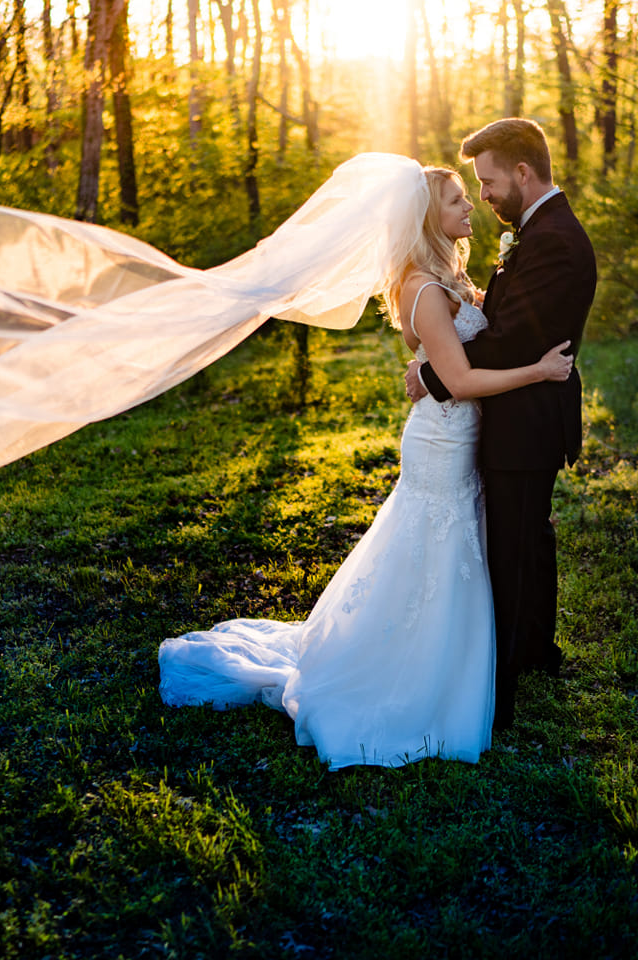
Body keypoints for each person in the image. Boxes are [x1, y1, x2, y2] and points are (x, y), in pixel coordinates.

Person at [157, 167, 574, 770]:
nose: (470, 207)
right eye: (457, 200)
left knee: (448, 546)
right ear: (427, 218)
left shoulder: (449, 278)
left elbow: (469, 347)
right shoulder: (422, 289)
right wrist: (539, 371)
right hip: (442, 438)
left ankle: (451, 656)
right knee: (435, 546)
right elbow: (458, 381)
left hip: (464, 435)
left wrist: (447, 355)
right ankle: (409, 668)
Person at [405, 119, 597, 731]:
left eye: (487, 183)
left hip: (527, 420)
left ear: (522, 171)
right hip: (518, 416)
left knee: (514, 546)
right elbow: (504, 319)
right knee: (525, 538)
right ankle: (534, 651)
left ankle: (502, 683)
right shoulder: (537, 231)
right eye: (471, 189)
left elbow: (515, 337)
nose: (482, 197)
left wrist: (434, 374)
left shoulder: (553, 239)